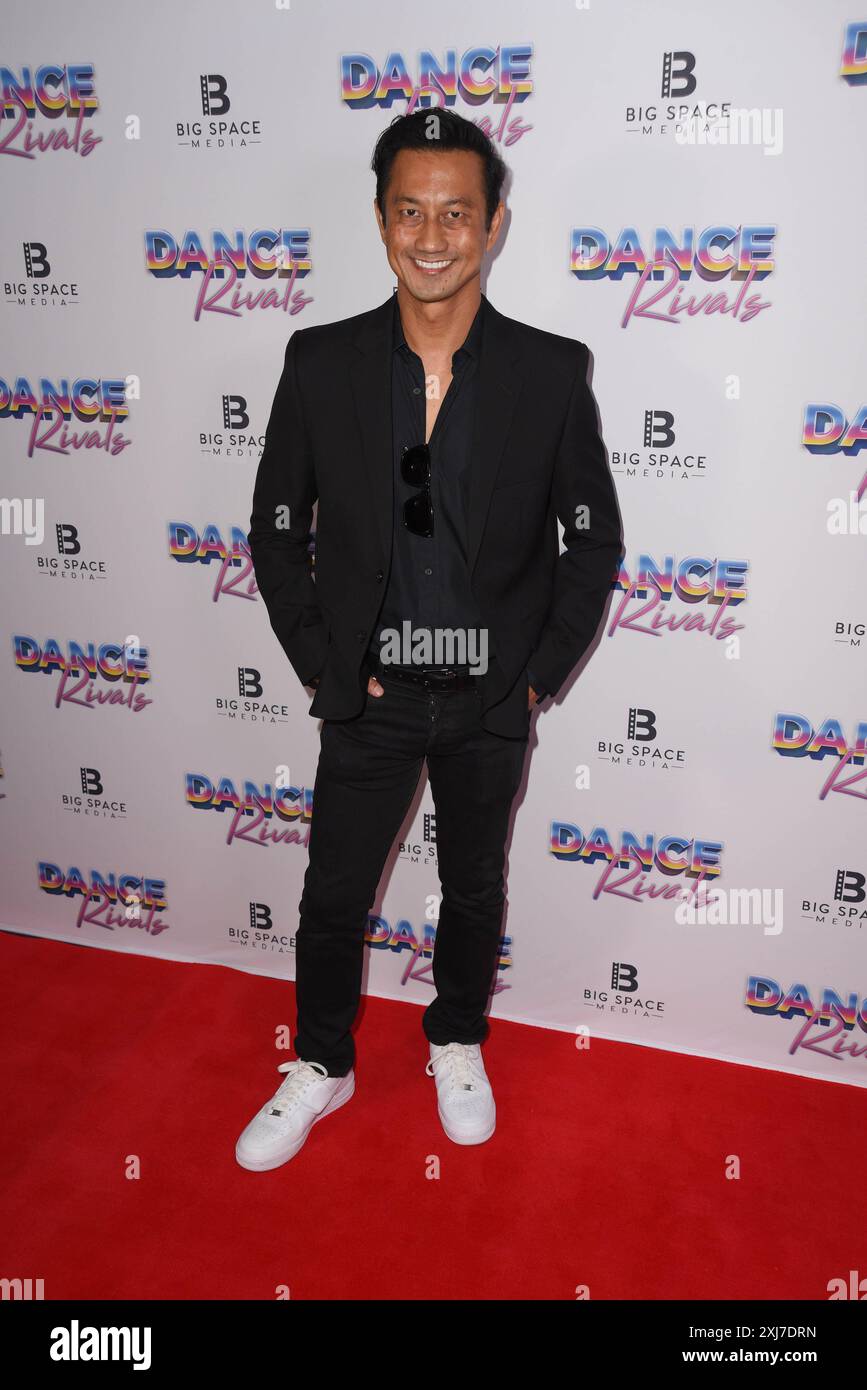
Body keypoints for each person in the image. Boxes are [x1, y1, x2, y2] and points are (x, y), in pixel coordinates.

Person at [237, 108, 622, 1171]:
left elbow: (590, 542)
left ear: (493, 224)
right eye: (411, 211)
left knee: (478, 885)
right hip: (371, 691)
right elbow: (275, 531)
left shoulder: (551, 372)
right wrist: (326, 665)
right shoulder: (319, 362)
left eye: (457, 212)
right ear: (379, 220)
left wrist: (535, 680)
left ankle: (455, 1036)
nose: (433, 235)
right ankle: (322, 1061)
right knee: (330, 892)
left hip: (491, 698)